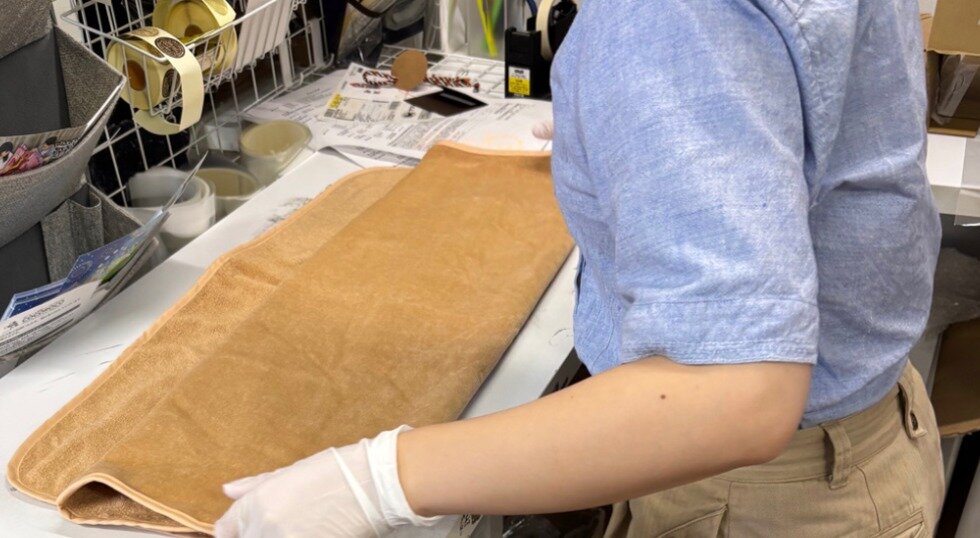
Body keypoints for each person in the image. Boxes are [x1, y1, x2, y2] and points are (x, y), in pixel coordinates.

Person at [215, 0, 945, 536]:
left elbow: (735, 393)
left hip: (769, 496)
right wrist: (641, 126)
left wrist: (376, 481)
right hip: (861, 447)